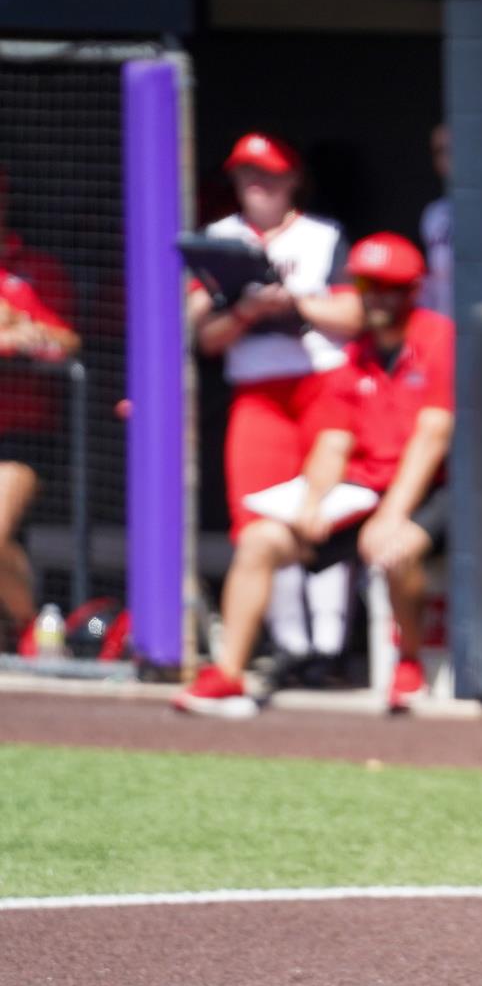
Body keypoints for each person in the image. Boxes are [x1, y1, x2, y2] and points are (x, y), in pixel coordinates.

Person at [176, 232, 454, 716]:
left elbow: (433, 435)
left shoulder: (436, 336)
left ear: (412, 291)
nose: (378, 297)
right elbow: (335, 441)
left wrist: (391, 515)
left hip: (433, 490)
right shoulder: (354, 356)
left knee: (392, 548)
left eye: (391, 287)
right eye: (369, 285)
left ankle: (408, 662)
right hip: (364, 490)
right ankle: (229, 675)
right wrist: (311, 503)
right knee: (261, 539)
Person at [184, 133, 361, 696]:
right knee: (257, 523)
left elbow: (352, 315)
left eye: (267, 173)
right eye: (244, 174)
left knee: (323, 514)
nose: (255, 183)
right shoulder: (219, 239)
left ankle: (329, 650)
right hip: (257, 390)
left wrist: (294, 303)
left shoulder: (321, 235)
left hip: (320, 382)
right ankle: (288, 646)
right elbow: (203, 334)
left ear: (292, 180)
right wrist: (245, 310)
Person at [0, 166, 80, 652]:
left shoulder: (35, 269)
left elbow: (68, 340)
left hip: (20, 430)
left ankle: (31, 627)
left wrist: (25, 328)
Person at [417, 124, 453, 317]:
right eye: (439, 152)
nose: (446, 159)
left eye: (451, 149)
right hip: (444, 324)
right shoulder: (435, 214)